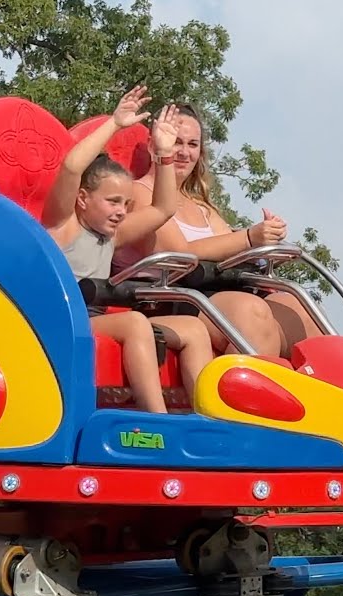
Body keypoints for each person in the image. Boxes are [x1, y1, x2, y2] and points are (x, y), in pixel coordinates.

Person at [41, 86, 214, 413]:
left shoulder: (111, 236)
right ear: (82, 199)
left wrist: (163, 154)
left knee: (193, 328)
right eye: (112, 202)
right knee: (134, 322)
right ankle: (159, 419)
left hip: (96, 320)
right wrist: (116, 123)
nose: (122, 211)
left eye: (126, 204)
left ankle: (209, 422)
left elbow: (163, 208)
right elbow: (73, 167)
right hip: (63, 320)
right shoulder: (62, 225)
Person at [117, 102, 322, 359]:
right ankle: (247, 394)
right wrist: (249, 237)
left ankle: (328, 389)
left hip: (211, 294)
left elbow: (229, 249)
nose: (183, 152)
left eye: (192, 145)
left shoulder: (202, 207)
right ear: (154, 144)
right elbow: (182, 254)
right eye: (175, 142)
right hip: (168, 297)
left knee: (299, 308)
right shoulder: (140, 194)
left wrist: (262, 248)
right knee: (251, 313)